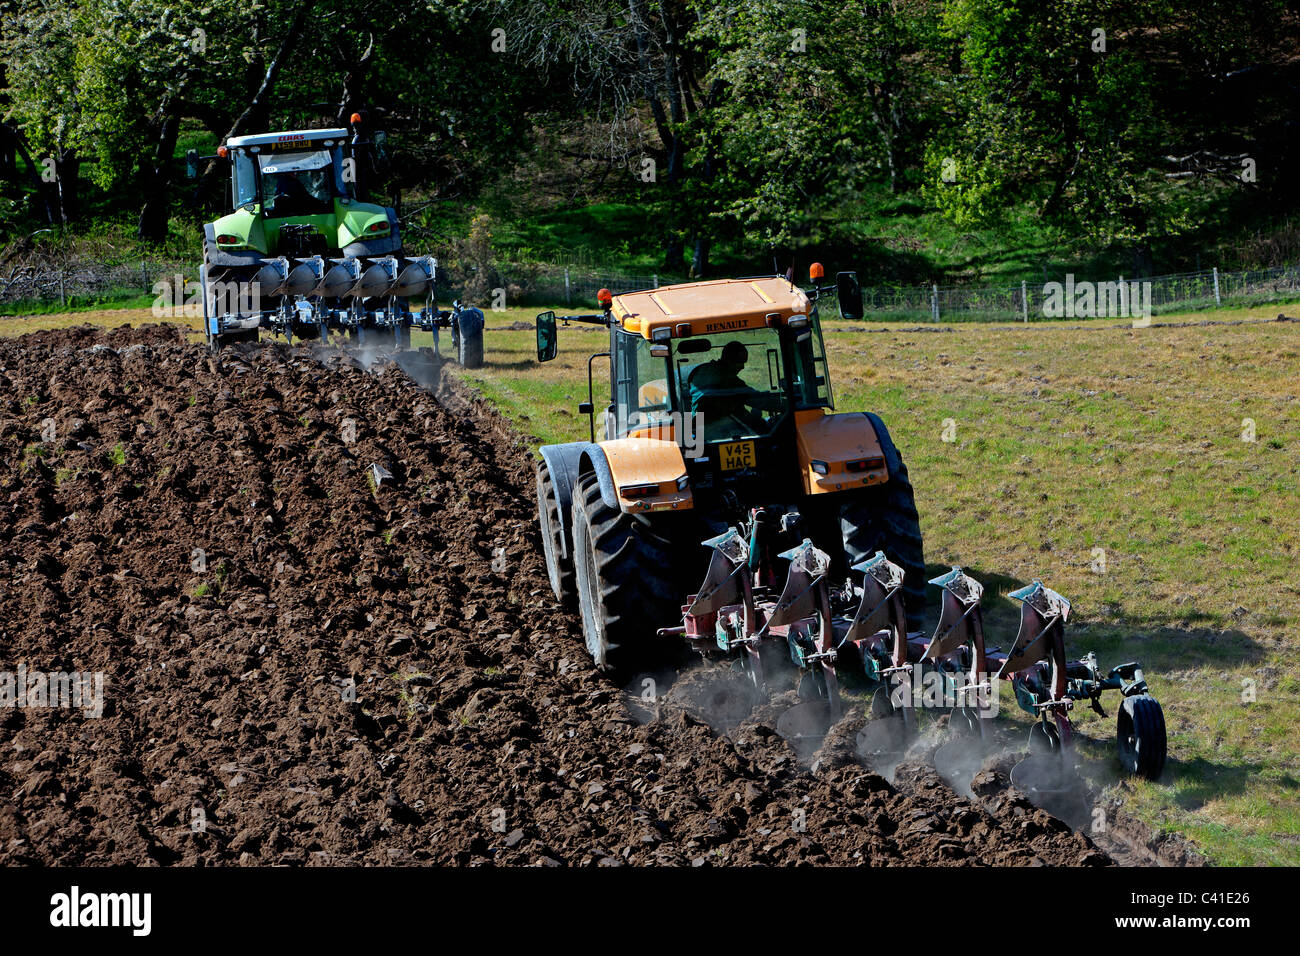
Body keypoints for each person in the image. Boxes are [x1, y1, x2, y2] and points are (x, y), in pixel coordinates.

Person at [686, 341, 784, 435]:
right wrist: (788, 405)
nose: (743, 367)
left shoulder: (705, 370)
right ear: (729, 360)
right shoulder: (728, 380)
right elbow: (759, 400)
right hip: (715, 430)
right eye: (740, 362)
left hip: (700, 428)